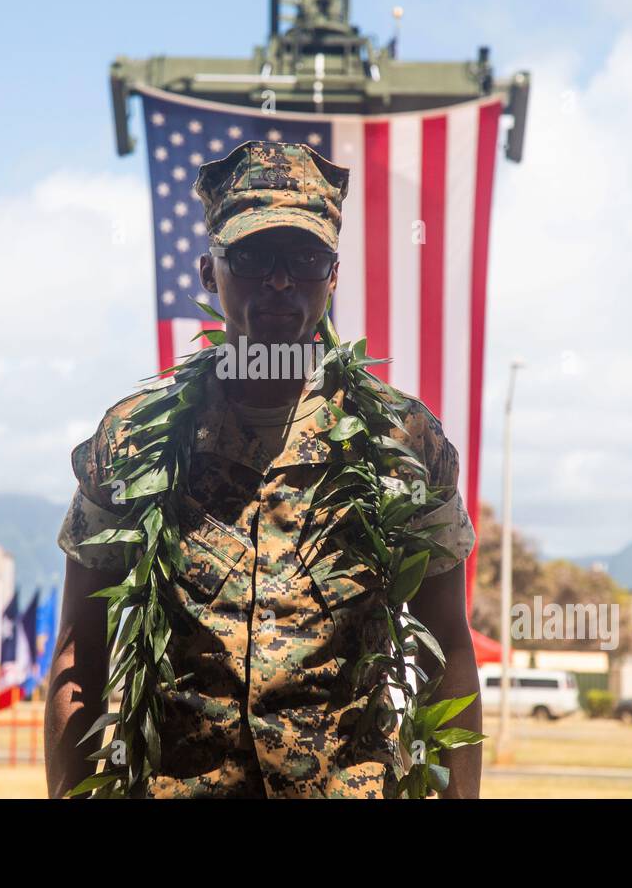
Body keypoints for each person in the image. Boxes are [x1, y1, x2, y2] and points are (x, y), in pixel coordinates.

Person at [45, 140, 480, 798]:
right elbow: (80, 655)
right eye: (250, 257)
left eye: (304, 258)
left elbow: (447, 644)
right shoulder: (131, 444)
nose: (280, 280)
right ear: (205, 272)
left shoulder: (403, 442)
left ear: (333, 275)